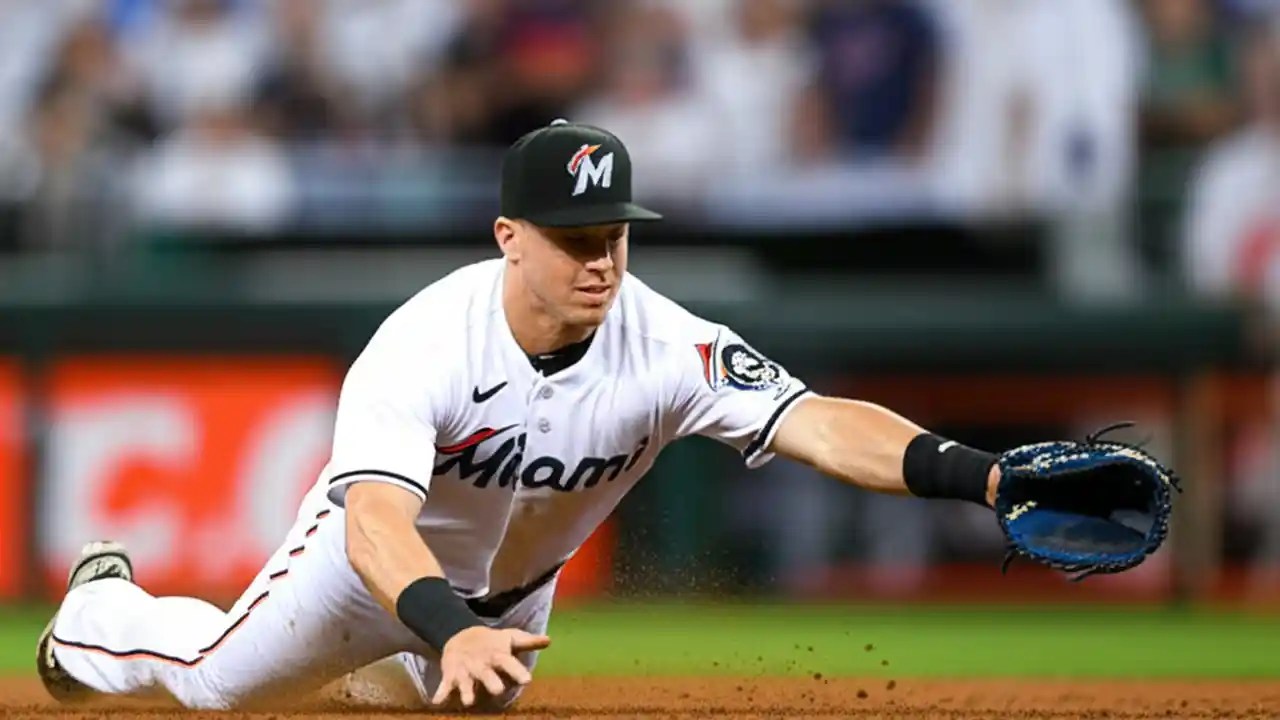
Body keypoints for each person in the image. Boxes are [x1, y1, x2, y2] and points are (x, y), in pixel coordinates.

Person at [38, 120, 1006, 711]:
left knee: (463, 708)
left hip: (507, 609)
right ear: (508, 237)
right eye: (573, 237)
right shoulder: (423, 341)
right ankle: (93, 615)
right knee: (214, 684)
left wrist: (983, 474)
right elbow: (374, 524)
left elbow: (822, 423)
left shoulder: (666, 344)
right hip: (370, 576)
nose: (601, 261)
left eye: (615, 234)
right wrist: (442, 626)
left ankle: (392, 670)